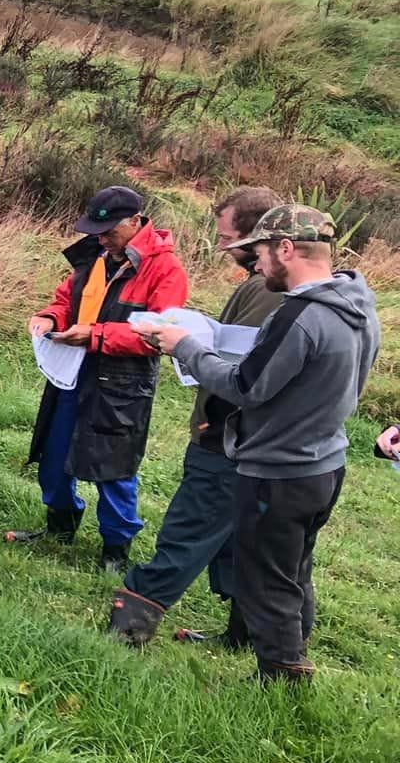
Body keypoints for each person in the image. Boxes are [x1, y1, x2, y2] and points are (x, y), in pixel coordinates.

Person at [146, 205, 382, 683]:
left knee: (263, 578)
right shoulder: (359, 306)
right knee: (293, 568)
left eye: (259, 253)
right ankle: (290, 653)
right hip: (325, 463)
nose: (255, 265)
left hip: (279, 470)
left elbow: (245, 386)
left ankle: (280, 678)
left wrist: (184, 347)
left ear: (286, 249)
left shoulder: (298, 316)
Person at [106, 187, 282, 646]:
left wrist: (185, 346)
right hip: (255, 441)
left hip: (227, 435)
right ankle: (248, 636)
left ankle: (129, 626)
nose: (223, 248)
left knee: (191, 527)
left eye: (228, 238)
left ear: (257, 236)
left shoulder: (267, 289)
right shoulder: (266, 286)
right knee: (248, 539)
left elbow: (243, 372)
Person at [8, 185, 188, 572]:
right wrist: (50, 317)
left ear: (136, 222)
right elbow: (65, 298)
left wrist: (97, 335)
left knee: (114, 465)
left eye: (108, 232)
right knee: (54, 455)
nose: (100, 239)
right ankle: (60, 525)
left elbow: (160, 336)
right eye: (95, 232)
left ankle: (115, 550)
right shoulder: (96, 256)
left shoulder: (167, 270)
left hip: (122, 383)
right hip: (71, 371)